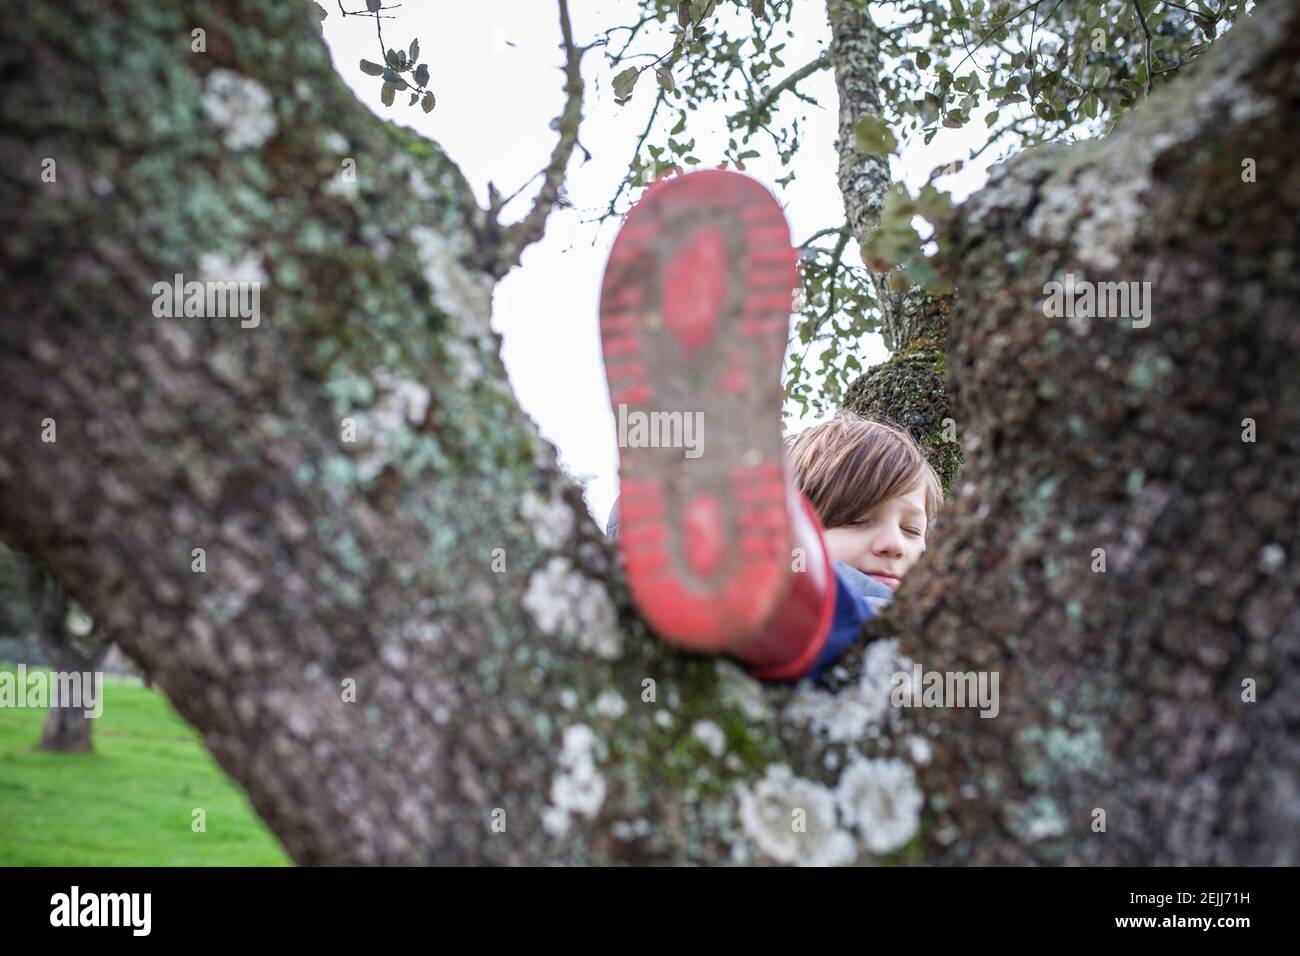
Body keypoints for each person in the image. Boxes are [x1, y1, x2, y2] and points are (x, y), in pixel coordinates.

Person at [599, 169, 941, 682]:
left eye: (915, 529)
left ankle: (731, 534)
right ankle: (750, 551)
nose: (895, 544)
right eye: (856, 519)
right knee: (838, 600)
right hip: (809, 621)